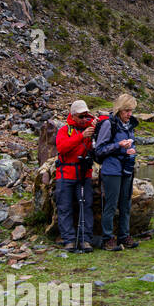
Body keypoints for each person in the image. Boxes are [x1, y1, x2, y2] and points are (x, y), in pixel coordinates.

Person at [94, 93, 141, 251]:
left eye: (131, 110)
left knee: (126, 204)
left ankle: (124, 236)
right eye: (127, 110)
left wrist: (131, 151)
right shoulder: (109, 124)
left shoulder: (130, 126)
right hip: (112, 170)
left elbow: (130, 145)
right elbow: (99, 150)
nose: (129, 114)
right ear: (119, 110)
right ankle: (108, 238)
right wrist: (118, 145)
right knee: (111, 205)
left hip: (126, 169)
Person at [54, 100, 97, 253]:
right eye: (81, 116)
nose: (84, 118)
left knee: (86, 206)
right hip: (65, 174)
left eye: (86, 115)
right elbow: (62, 147)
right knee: (64, 207)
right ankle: (69, 240)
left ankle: (86, 240)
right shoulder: (65, 130)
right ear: (73, 116)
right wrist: (81, 136)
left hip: (84, 174)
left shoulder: (92, 128)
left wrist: (93, 122)